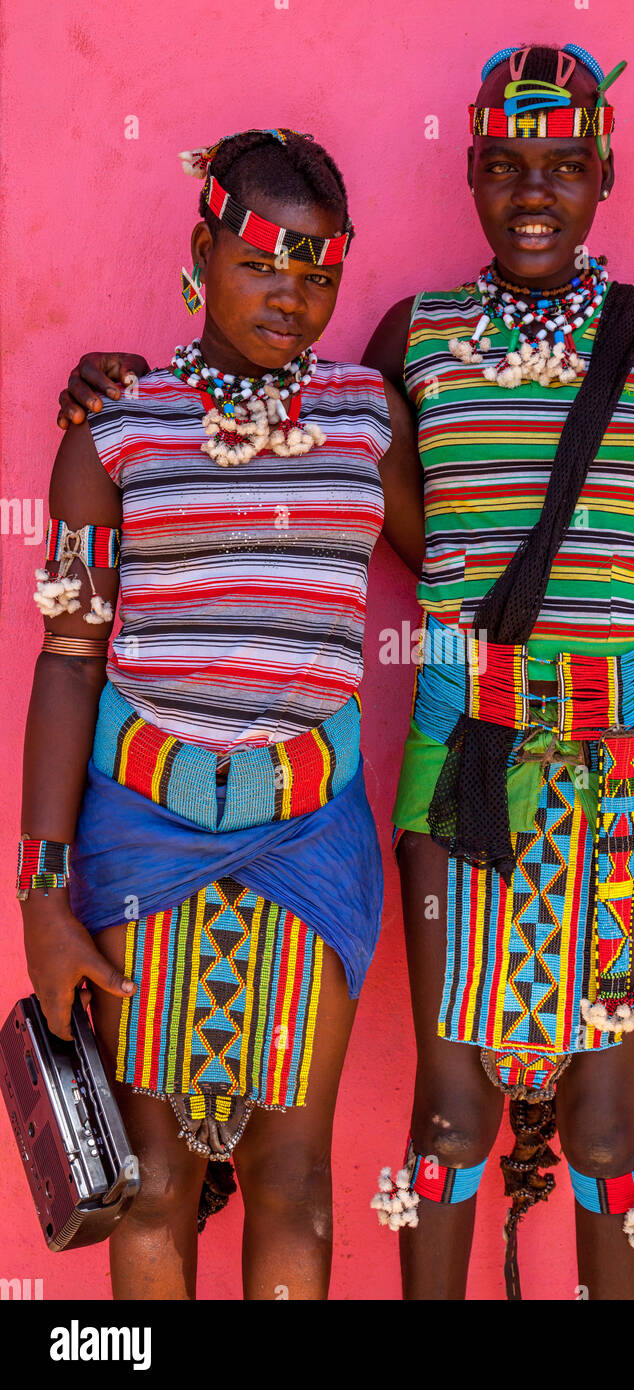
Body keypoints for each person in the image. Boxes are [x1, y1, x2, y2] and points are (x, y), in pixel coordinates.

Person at [58, 43, 634, 1304]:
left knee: (605, 1132)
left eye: (563, 163)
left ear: (607, 170)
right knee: (440, 1130)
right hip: (456, 761)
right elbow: (400, 525)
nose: (533, 191)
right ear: (468, 175)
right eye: (502, 163)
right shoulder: (410, 343)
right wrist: (114, 400)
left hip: (629, 770)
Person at [23, 126, 422, 1300]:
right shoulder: (116, 428)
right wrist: (45, 894)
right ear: (203, 250)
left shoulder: (366, 418)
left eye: (318, 272)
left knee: (292, 1179)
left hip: (311, 833)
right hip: (141, 829)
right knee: (148, 1182)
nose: (289, 294)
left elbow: (459, 562)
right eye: (261, 264)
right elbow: (66, 656)